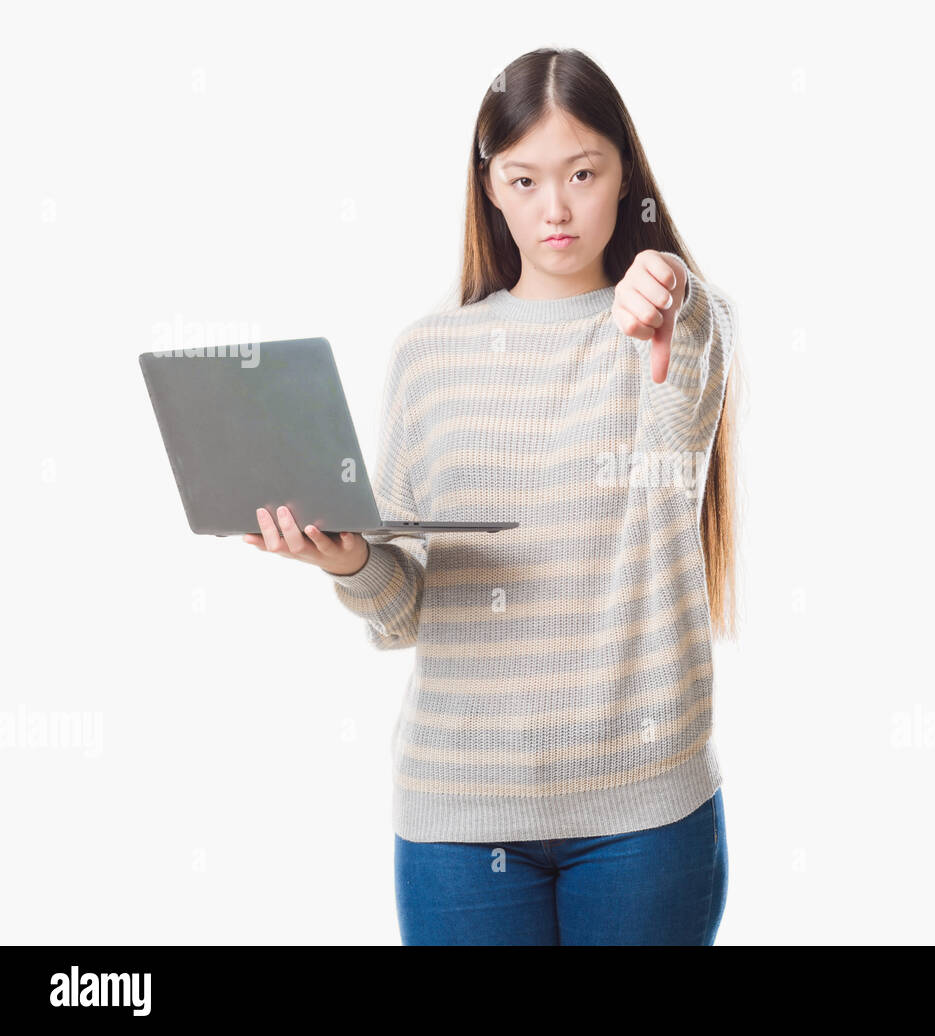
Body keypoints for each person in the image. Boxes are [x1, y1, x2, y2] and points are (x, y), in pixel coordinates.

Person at [241, 47, 741, 945]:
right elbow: (403, 615)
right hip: (458, 822)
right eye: (526, 179)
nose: (556, 208)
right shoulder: (429, 357)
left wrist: (671, 305)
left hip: (644, 814)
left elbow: (695, 361)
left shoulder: (675, 330)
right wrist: (350, 561)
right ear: (491, 189)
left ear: (625, 174)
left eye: (584, 173)